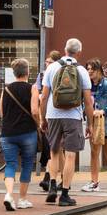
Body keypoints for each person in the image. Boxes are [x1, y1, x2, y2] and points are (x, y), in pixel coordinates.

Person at [39, 38, 95, 206]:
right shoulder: (82, 71)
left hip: (53, 115)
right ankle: (64, 194)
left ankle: (52, 187)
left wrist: (43, 118)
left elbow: (44, 97)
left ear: (64, 50)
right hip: (73, 116)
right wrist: (90, 124)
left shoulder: (52, 68)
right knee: (70, 155)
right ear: (79, 52)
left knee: (54, 152)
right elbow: (88, 100)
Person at [0, 58, 40, 211]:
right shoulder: (33, 88)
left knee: (10, 164)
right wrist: (39, 123)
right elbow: (35, 110)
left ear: (14, 73)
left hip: (8, 133)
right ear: (27, 72)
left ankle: (9, 195)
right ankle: (22, 199)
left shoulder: (6, 89)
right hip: (27, 132)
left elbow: (2, 113)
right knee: (27, 164)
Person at [82, 59, 107, 193]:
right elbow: (85, 104)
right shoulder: (87, 86)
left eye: (91, 70)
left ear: (98, 70)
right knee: (94, 153)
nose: (89, 73)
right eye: (87, 70)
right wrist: (88, 122)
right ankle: (94, 183)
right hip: (94, 123)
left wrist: (103, 111)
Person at [36, 50, 60, 193]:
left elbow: (41, 97)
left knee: (53, 150)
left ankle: (50, 179)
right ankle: (49, 178)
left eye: (50, 62)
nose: (47, 64)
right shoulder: (41, 76)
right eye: (46, 62)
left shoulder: (51, 75)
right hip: (46, 115)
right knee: (50, 150)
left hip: (51, 116)